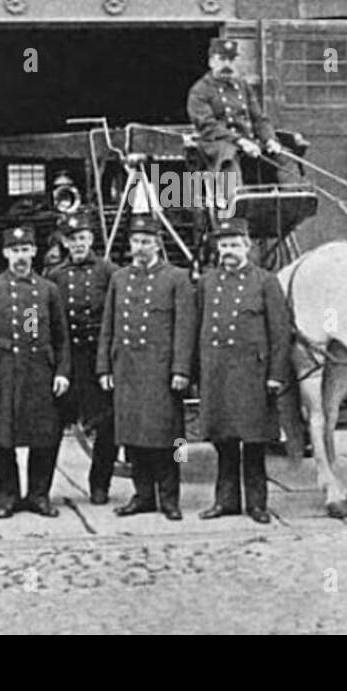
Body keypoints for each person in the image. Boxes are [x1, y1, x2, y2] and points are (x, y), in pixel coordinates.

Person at [97, 215, 196, 520]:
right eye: (135, 242)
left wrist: (181, 369)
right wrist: (104, 368)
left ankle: (170, 498)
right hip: (127, 369)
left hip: (162, 372)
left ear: (157, 244)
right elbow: (108, 326)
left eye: (146, 242)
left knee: (170, 438)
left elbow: (184, 328)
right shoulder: (120, 278)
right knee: (133, 437)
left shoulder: (176, 278)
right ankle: (142, 496)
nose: (140, 248)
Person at [0, 225, 71, 519]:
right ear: (5, 253)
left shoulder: (46, 290)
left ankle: (39, 495)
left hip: (39, 371)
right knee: (5, 439)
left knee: (44, 437)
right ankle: (8, 496)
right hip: (4, 372)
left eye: (25, 250)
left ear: (34, 252)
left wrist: (62, 372)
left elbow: (60, 337)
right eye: (14, 251)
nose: (20, 257)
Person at [195, 218, 292, 524]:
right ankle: (225, 502)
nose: (229, 251)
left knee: (253, 443)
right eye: (224, 245)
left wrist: (276, 374)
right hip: (218, 374)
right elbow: (196, 327)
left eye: (235, 245)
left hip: (253, 376)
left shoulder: (265, 282)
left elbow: (280, 333)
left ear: (247, 247)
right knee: (223, 442)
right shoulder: (207, 282)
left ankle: (257, 504)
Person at [46, 211, 118, 504]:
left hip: (97, 362)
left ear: (91, 239)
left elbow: (115, 320)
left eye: (83, 238)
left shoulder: (109, 272)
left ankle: (100, 484)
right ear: (64, 242)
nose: (78, 244)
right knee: (49, 427)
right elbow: (40, 320)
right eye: (72, 239)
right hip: (65, 363)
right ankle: (41, 490)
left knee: (107, 426)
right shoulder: (54, 276)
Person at [186, 37, 297, 189]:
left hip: (248, 142)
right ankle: (238, 204)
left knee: (284, 155)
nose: (227, 65)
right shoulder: (200, 90)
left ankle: (294, 199)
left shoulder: (242, 85)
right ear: (211, 62)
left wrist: (270, 139)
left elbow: (259, 119)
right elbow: (208, 125)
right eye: (222, 59)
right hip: (216, 144)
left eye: (231, 60)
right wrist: (240, 141)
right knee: (228, 157)